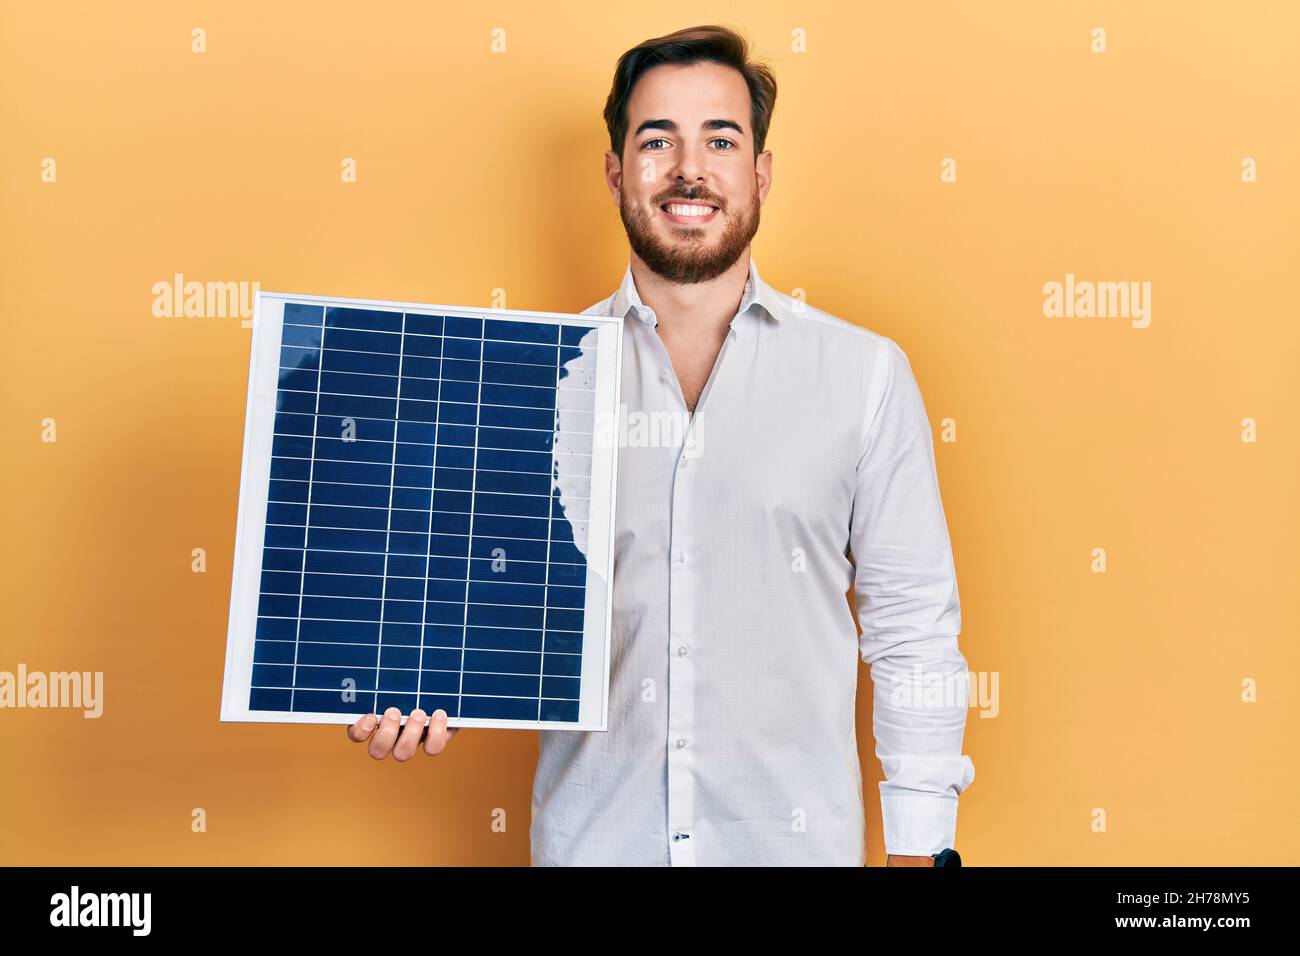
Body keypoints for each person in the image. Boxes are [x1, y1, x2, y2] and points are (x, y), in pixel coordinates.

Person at [348, 23, 975, 867]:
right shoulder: (526, 386)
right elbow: (464, 611)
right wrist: (407, 683)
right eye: (657, 140)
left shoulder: (863, 376)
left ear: (760, 172)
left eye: (721, 139)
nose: (690, 169)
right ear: (615, 174)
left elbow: (913, 634)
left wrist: (920, 849)